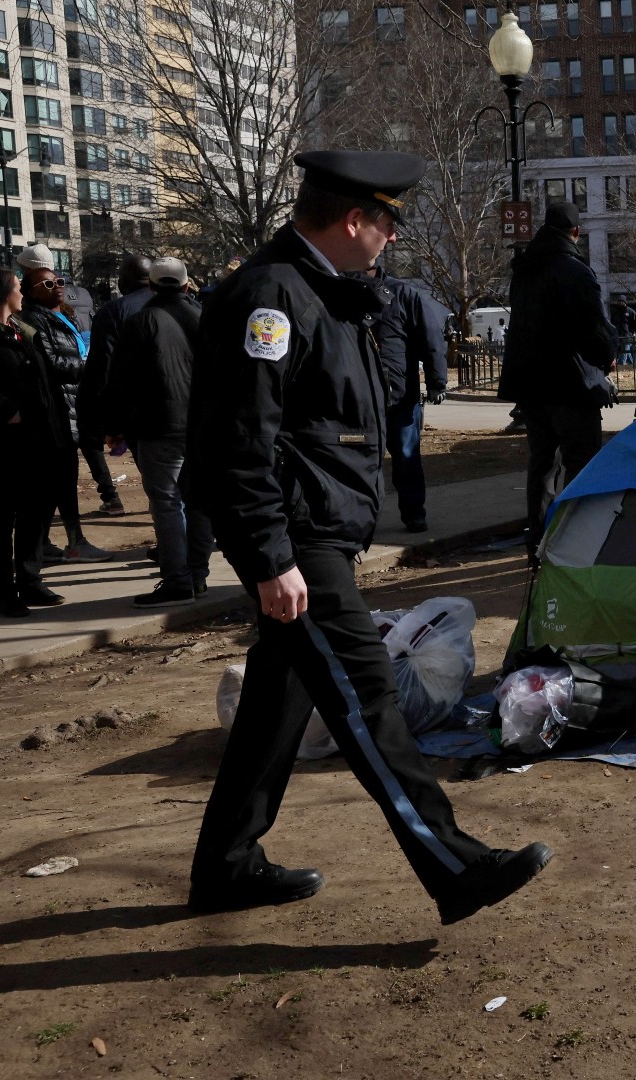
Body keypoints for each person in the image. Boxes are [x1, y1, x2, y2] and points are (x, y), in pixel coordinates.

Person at [187, 149, 552, 920]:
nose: (392, 237)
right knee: (367, 698)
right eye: (387, 221)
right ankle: (454, 867)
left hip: (314, 532)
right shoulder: (273, 297)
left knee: (276, 709)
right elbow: (239, 441)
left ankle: (226, 863)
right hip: (299, 541)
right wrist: (271, 556)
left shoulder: (323, 290)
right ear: (354, 219)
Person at [497, 199, 619, 556]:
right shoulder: (574, 271)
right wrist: (607, 354)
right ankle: (575, 540)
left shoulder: (526, 269)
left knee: (542, 465)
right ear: (576, 232)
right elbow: (595, 327)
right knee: (582, 463)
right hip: (570, 384)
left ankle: (538, 536)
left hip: (533, 387)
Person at [102, 257, 214, 608]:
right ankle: (196, 575)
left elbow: (119, 379)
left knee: (167, 504)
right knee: (198, 502)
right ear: (185, 285)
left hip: (158, 425)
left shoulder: (140, 321)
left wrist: (114, 426)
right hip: (203, 425)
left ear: (151, 286)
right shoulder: (206, 318)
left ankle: (179, 580)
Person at [15, 265, 116, 564]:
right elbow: (52, 363)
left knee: (58, 479)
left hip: (73, 405)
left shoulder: (62, 315)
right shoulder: (33, 319)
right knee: (59, 479)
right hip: (57, 411)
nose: (56, 287)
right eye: (46, 284)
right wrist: (91, 367)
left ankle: (47, 542)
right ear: (28, 291)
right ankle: (72, 542)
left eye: (58, 281)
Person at [0, 267, 64, 616]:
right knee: (2, 518)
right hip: (2, 443)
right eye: (18, 287)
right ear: (4, 292)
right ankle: (5, 591)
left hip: (37, 437)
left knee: (36, 510)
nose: (22, 293)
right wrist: (5, 410)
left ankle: (30, 580)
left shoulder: (22, 330)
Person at [371, 268, 449, 532]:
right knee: (364, 461)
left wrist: (437, 381)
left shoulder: (404, 293)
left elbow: (430, 340)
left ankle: (414, 514)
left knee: (406, 457)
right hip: (361, 397)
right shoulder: (341, 289)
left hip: (399, 394)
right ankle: (362, 520)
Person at [79, 253, 153, 517]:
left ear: (123, 281)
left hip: (137, 409)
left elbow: (104, 369)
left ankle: (173, 543)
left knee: (160, 483)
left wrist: (109, 423)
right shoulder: (187, 307)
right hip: (183, 405)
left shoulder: (113, 312)